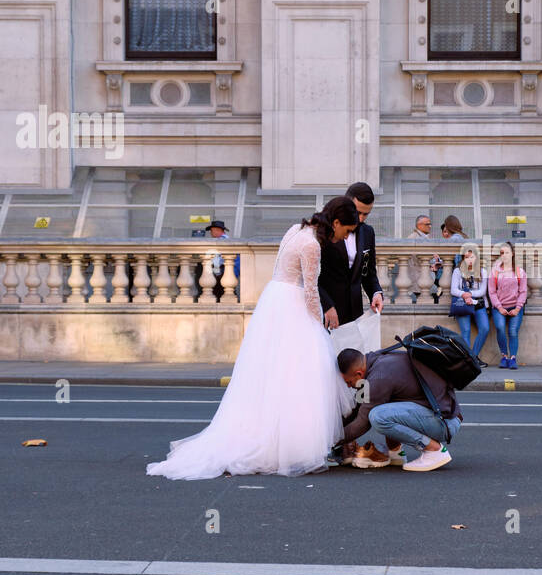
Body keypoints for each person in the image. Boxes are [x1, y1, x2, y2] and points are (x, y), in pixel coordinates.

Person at [146, 197, 358, 480]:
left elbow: (281, 273)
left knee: (271, 375)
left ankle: (278, 440)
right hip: (293, 303)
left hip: (276, 300)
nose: (347, 236)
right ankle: (291, 446)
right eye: (347, 230)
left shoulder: (296, 229)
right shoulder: (312, 245)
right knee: (300, 375)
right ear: (335, 223)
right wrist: (319, 323)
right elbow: (310, 291)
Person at [336, 345, 463, 472]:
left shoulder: (378, 378)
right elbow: (357, 408)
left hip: (445, 423)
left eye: (349, 382)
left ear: (358, 373)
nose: (349, 387)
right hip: (439, 415)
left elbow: (362, 423)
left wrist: (329, 443)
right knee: (384, 406)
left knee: (378, 416)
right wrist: (327, 434)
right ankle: (395, 453)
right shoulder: (375, 361)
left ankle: (434, 450)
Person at [318, 182, 384, 328]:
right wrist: (327, 305)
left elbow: (368, 273)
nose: (360, 219)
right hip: (325, 311)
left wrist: (376, 293)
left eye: (365, 214)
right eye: (357, 212)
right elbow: (312, 277)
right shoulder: (323, 230)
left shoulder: (368, 232)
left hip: (355, 313)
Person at [488, 240, 528, 369]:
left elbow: (523, 292)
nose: (504, 255)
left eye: (506, 252)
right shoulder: (495, 271)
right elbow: (492, 292)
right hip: (499, 306)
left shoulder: (519, 272)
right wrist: (499, 307)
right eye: (501, 253)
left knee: (512, 331)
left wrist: (517, 308)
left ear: (512, 254)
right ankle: (504, 357)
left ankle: (512, 359)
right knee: (500, 327)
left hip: (515, 306)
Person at [450, 245, 490, 357]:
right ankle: (468, 359)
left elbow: (482, 291)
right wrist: (464, 295)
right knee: (466, 331)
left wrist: (470, 294)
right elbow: (453, 290)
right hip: (463, 304)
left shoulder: (482, 271)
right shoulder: (458, 271)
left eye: (472, 257)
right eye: (466, 257)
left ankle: (473, 357)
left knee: (485, 329)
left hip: (478, 304)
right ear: (463, 258)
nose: (469, 260)